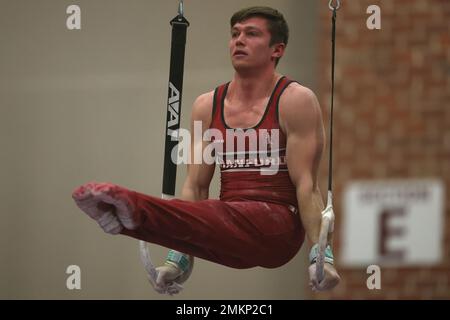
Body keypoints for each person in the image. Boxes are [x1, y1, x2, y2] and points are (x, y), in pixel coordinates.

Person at [72, 6, 340, 294]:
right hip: (227, 233)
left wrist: (321, 255)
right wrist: (177, 262)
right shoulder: (207, 105)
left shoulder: (295, 100)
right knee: (207, 211)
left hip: (277, 230)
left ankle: (130, 211)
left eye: (251, 34)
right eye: (235, 34)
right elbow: (196, 187)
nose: (239, 40)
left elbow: (307, 185)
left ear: (277, 49)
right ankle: (123, 219)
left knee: (214, 212)